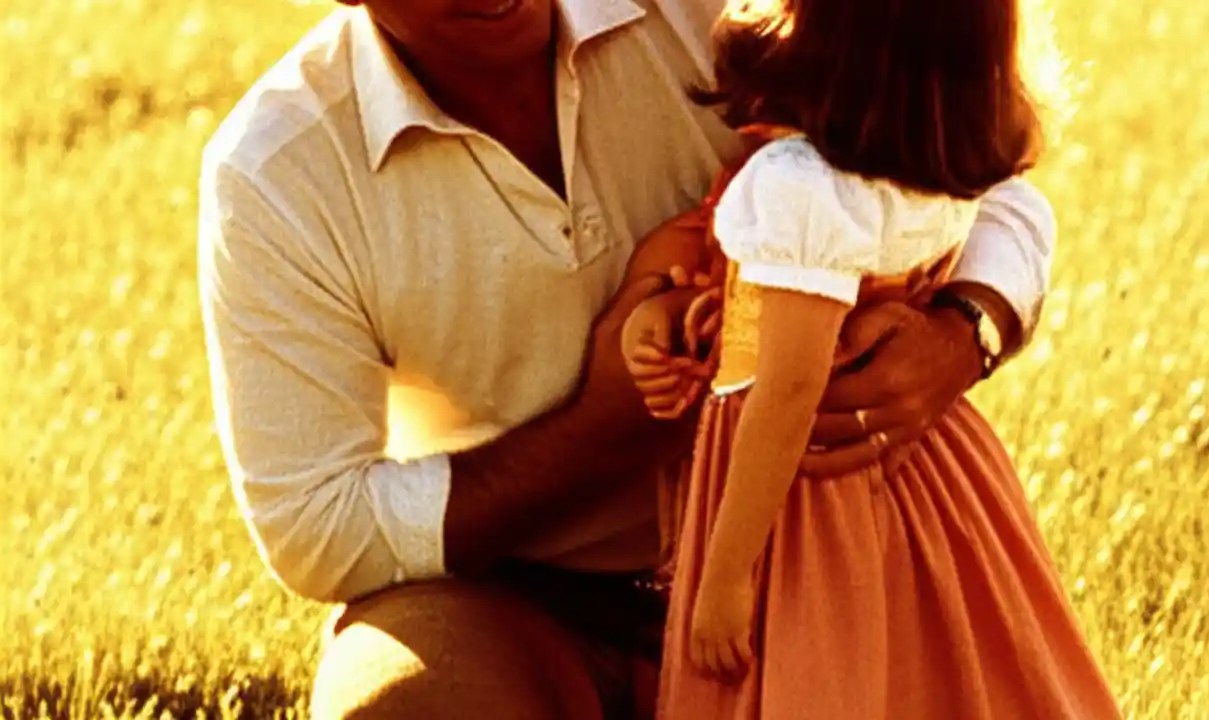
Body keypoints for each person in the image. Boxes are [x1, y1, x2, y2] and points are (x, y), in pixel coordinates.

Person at [197, 0, 1060, 717]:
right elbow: (315, 527)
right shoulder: (278, 170)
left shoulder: (711, 7)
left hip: (812, 552)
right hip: (517, 598)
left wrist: (964, 330)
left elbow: (974, 157)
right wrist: (604, 427)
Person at [613, 1, 1120, 718]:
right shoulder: (929, 163)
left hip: (796, 487)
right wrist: (697, 316)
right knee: (915, 661)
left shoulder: (799, 183)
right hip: (932, 463)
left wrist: (724, 576)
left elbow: (787, 388)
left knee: (810, 661)